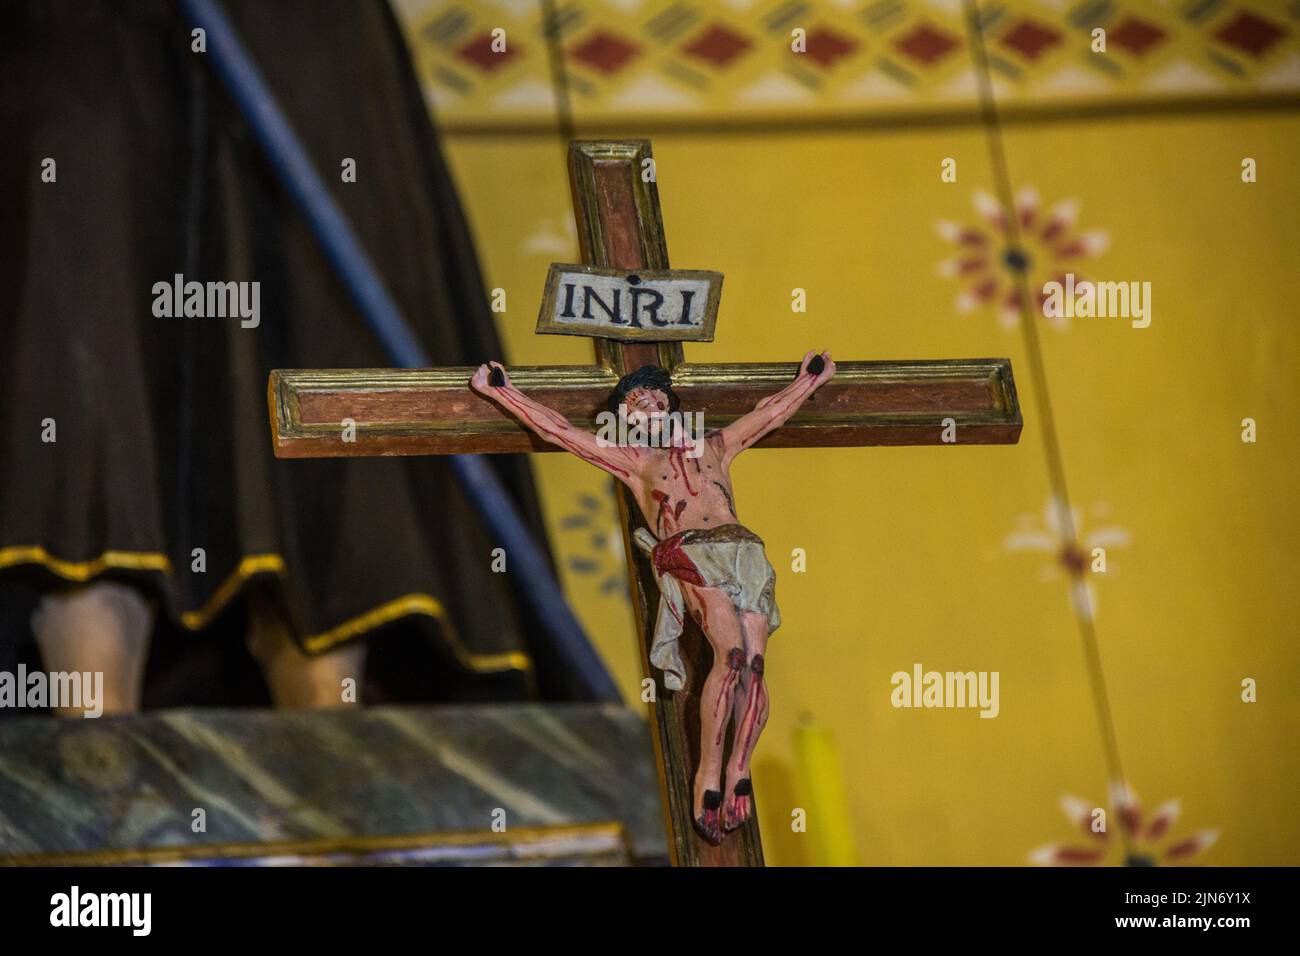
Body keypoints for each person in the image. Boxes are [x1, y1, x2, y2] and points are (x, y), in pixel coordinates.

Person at [472, 352, 837, 843]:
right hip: (692, 554)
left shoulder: (714, 446)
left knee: (754, 666)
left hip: (743, 551)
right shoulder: (635, 463)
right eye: (639, 402)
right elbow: (558, 431)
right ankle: (709, 773)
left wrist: (809, 381)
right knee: (728, 658)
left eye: (657, 397)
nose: (651, 405)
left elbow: (769, 413)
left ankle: (739, 769)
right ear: (626, 418)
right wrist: (502, 391)